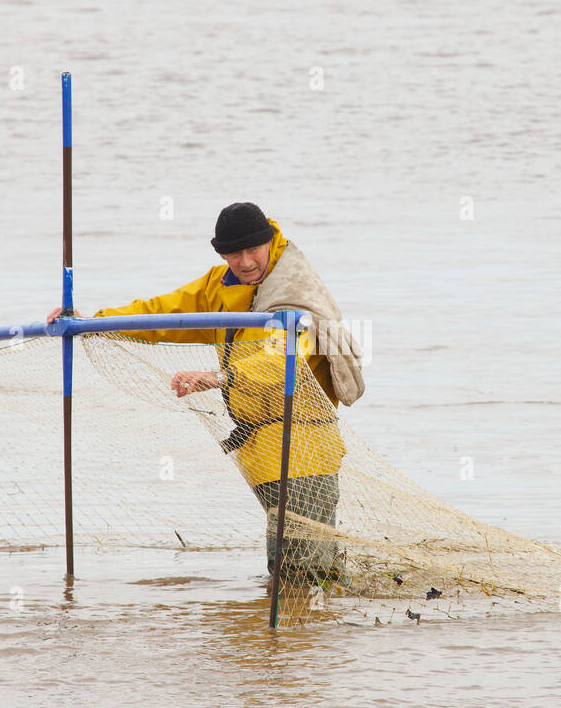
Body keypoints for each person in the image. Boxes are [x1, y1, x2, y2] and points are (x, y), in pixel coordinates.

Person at [47, 202, 364, 583]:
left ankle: (309, 640)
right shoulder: (220, 285)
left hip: (303, 452)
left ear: (270, 242)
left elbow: (280, 359)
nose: (245, 262)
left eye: (253, 250)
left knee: (304, 576)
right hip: (262, 452)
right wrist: (90, 323)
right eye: (233, 253)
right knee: (289, 572)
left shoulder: (294, 292)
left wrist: (218, 378)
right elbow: (160, 314)